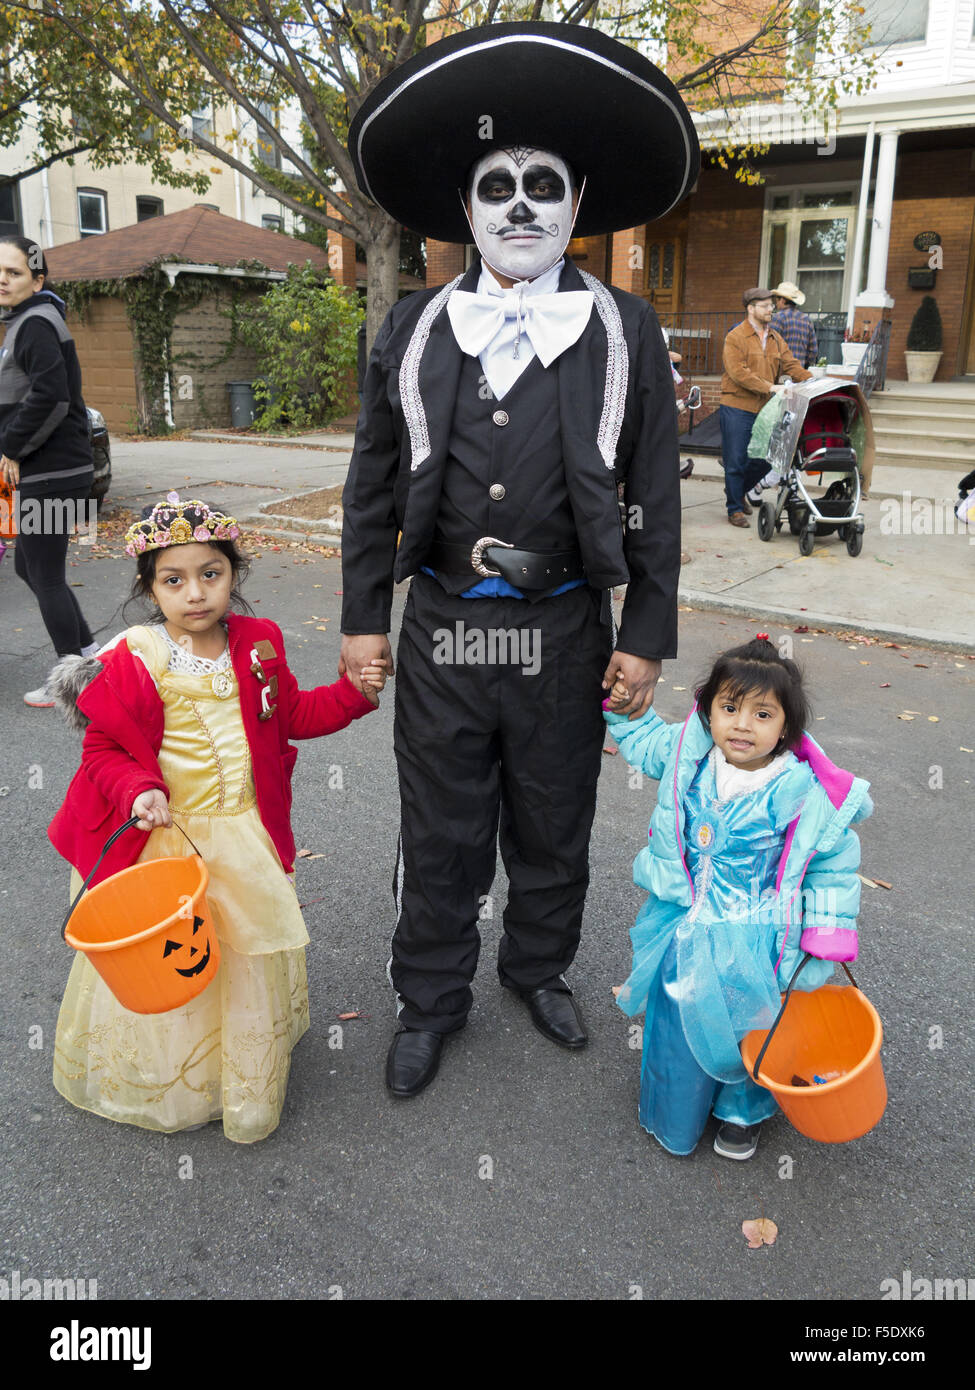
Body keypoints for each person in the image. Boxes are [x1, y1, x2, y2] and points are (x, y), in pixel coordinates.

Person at [341, 21, 698, 1096]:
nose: (522, 205)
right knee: (442, 828)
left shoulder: (625, 329)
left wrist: (645, 636)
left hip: (564, 629)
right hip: (447, 624)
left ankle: (538, 969)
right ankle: (430, 997)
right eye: (499, 186)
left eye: (544, 184)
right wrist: (364, 615)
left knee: (554, 818)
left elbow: (655, 494)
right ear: (468, 208)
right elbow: (368, 483)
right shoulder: (411, 326)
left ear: (577, 202)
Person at [46, 493, 385, 1142]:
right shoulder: (138, 655)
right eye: (173, 580)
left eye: (212, 574)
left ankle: (241, 1080)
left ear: (234, 576)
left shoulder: (258, 643)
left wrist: (355, 692)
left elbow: (291, 717)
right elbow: (105, 747)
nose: (195, 593)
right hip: (165, 839)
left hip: (242, 833)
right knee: (176, 959)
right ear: (149, 587)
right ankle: (172, 1081)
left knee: (239, 958)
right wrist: (140, 789)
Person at [604, 635, 871, 1159]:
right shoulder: (690, 753)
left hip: (757, 935)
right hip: (684, 923)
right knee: (679, 1017)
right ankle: (674, 1111)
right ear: (708, 713)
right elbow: (644, 737)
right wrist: (622, 708)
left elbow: (833, 867)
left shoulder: (802, 791)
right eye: (729, 708)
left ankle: (740, 1113)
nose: (742, 725)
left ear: (787, 727)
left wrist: (826, 931)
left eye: (762, 714)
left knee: (751, 1023)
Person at [0, 235, 98, 704]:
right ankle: (87, 655)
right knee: (31, 567)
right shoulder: (27, 322)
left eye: (14, 272)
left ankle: (73, 681)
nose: (2, 279)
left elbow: (51, 397)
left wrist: (12, 447)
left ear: (37, 280)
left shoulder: (36, 322)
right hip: (57, 471)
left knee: (46, 573)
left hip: (53, 473)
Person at [719, 289, 811, 527]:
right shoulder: (735, 336)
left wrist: (814, 383)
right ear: (751, 308)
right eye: (765, 306)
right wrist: (770, 387)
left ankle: (738, 490)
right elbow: (738, 373)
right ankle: (735, 509)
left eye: (771, 305)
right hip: (737, 405)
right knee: (736, 459)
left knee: (768, 458)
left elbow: (792, 365)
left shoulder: (776, 339)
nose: (771, 309)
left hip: (765, 408)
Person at [771, 282, 819, 369]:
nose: (776, 303)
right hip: (799, 372)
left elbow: (770, 346)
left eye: (776, 300)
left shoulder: (778, 318)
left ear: (782, 300)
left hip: (780, 371)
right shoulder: (806, 320)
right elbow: (813, 351)